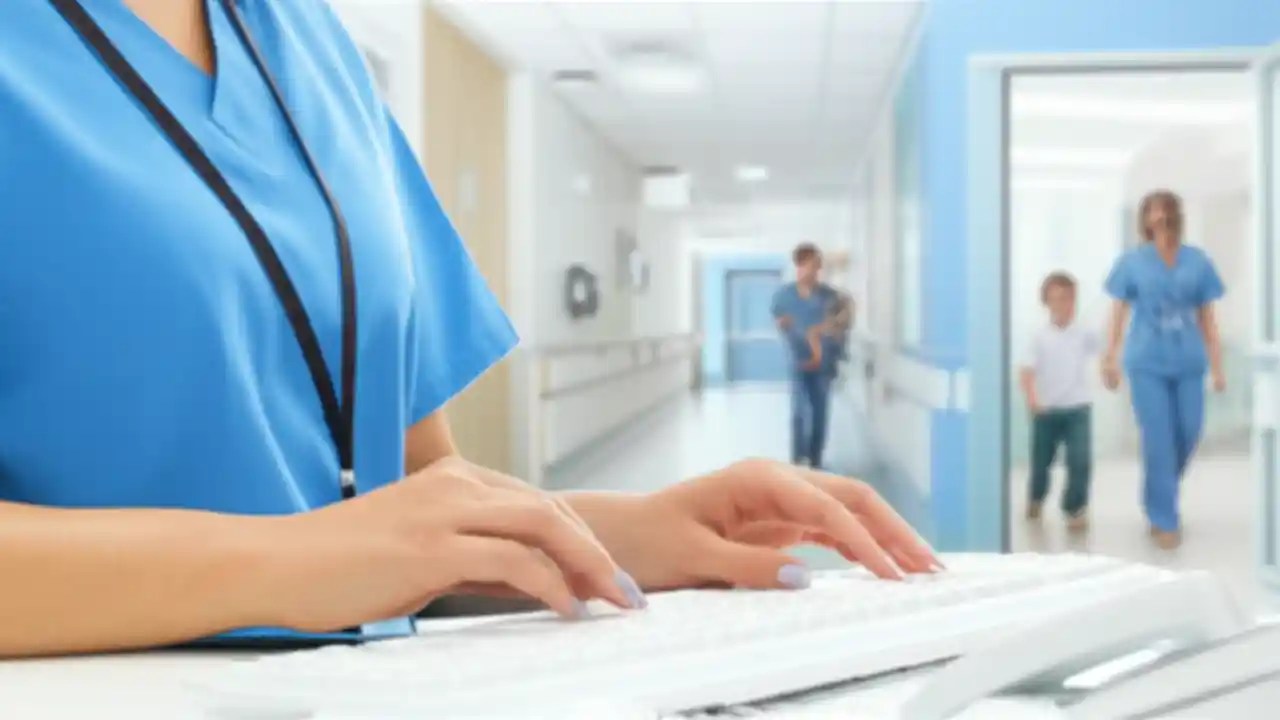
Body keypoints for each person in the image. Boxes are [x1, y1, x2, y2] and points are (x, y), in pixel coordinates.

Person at [0, 0, 936, 658]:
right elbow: (345, 549)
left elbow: (408, 499)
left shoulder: (307, 40)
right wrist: (290, 568)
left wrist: (636, 532)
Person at [1102, 190, 1226, 550]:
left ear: (1176, 216)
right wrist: (1109, 356)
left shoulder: (1198, 261)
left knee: (1188, 431)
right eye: (1152, 214)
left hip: (1189, 361)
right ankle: (1164, 517)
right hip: (1146, 363)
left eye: (1165, 212)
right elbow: (1118, 313)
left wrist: (1218, 366)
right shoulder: (1132, 262)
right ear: (1144, 220)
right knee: (1158, 438)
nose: (1159, 219)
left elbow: (1208, 319)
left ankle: (1158, 490)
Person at [1019, 272, 1098, 531]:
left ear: (1073, 301)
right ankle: (1036, 498)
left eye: (1066, 298)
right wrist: (1033, 401)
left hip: (1078, 407)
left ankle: (1075, 508)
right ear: (1046, 302)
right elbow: (1027, 372)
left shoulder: (1085, 332)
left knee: (1080, 460)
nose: (1061, 304)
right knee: (1041, 463)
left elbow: (1105, 355)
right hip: (1046, 410)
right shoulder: (1038, 336)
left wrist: (1113, 370)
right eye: (1055, 299)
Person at [771, 243, 843, 469]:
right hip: (798, 360)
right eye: (807, 266)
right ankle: (798, 456)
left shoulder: (829, 297)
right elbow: (780, 321)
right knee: (799, 410)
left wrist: (824, 332)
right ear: (798, 266)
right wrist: (784, 326)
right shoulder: (784, 295)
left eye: (815, 266)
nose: (811, 270)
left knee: (820, 410)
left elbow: (838, 324)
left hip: (823, 362)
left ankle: (815, 458)